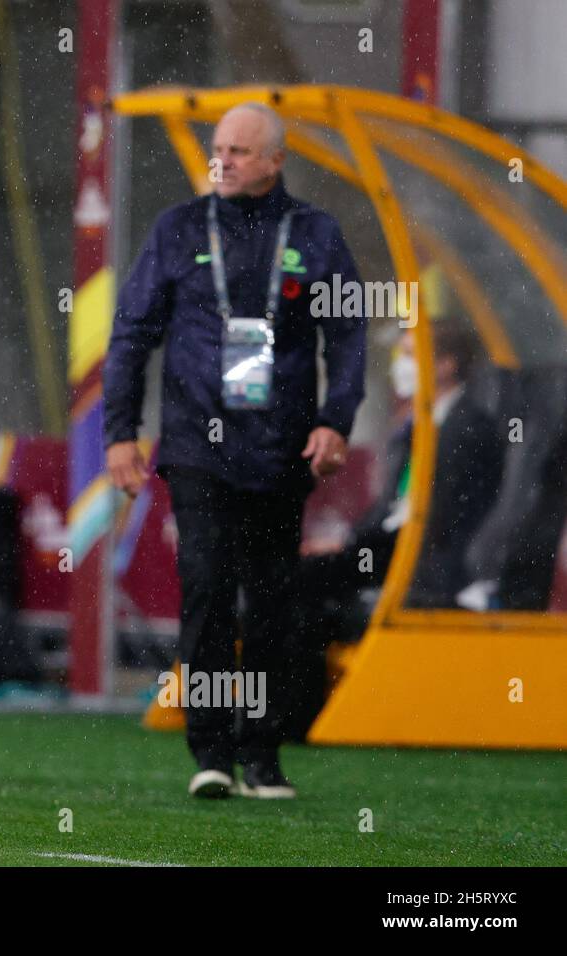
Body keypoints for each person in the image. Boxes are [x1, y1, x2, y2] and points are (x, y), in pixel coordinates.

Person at [103, 102, 367, 799]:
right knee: (209, 587)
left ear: (276, 161)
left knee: (276, 603)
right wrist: (120, 433)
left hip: (282, 446)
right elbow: (132, 334)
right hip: (197, 445)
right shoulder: (179, 228)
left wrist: (337, 420)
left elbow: (346, 338)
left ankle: (264, 752)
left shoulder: (314, 233)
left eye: (242, 152)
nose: (225, 160)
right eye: (219, 148)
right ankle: (213, 752)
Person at [287, 325, 502, 737]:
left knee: (303, 582)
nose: (400, 367)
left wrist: (350, 548)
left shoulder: (466, 427)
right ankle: (295, 706)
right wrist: (347, 544)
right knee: (296, 578)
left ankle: (296, 715)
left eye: (410, 354)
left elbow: (434, 518)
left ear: (447, 364)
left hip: (428, 560)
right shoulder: (419, 422)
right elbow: (390, 509)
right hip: (391, 549)